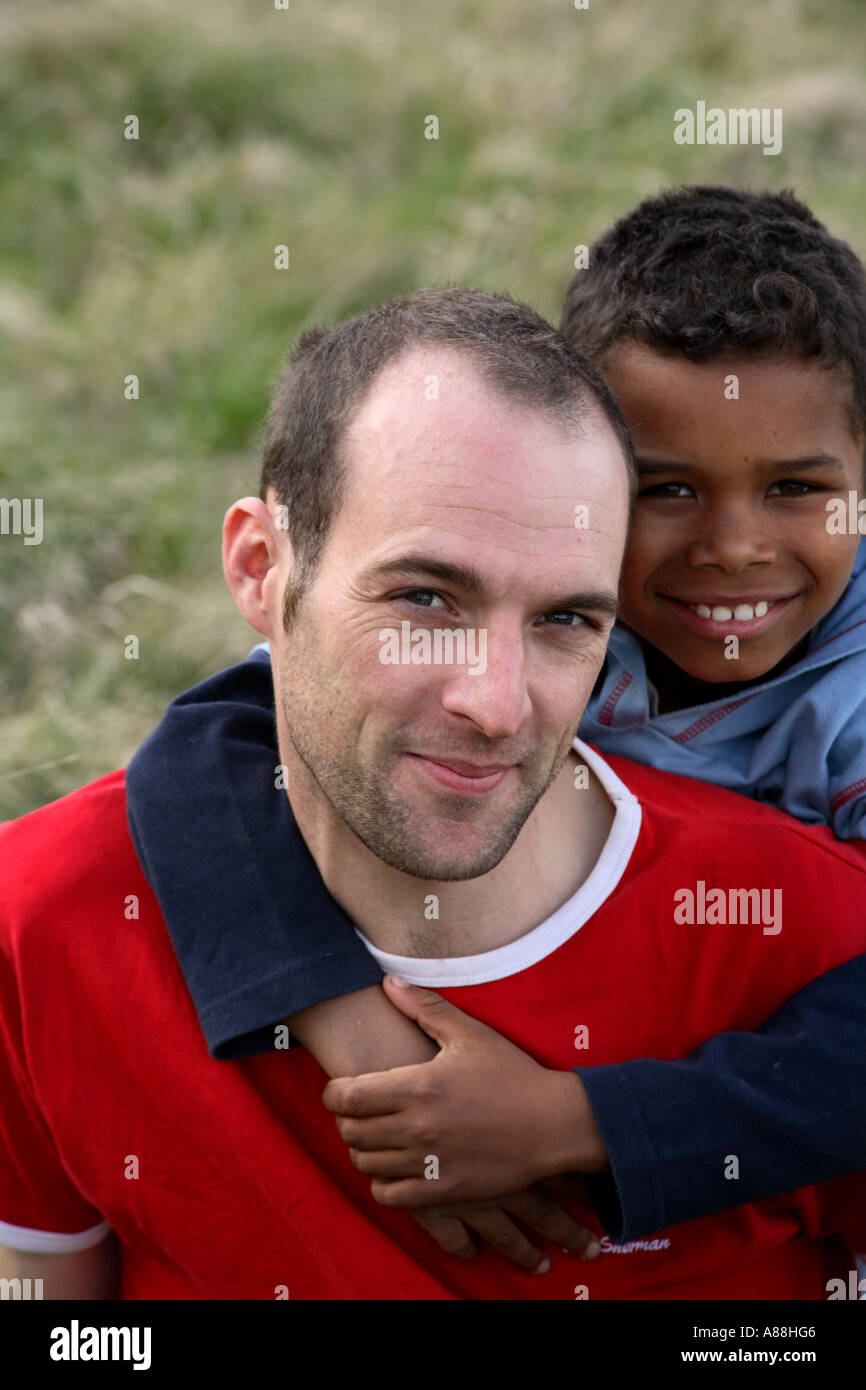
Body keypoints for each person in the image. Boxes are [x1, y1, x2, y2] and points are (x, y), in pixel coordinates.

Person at [3, 288, 865, 1301]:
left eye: (562, 620)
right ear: (258, 568)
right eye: (424, 598)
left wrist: (592, 1129)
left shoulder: (807, 931)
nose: (494, 704)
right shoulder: (46, 921)